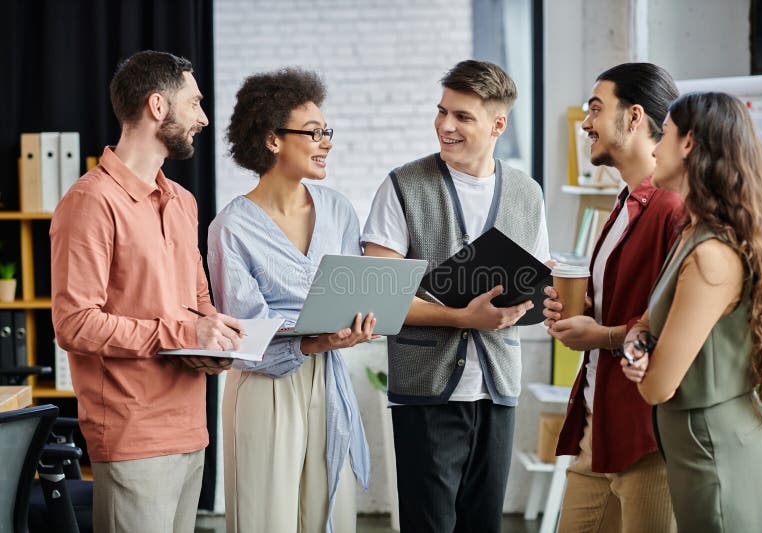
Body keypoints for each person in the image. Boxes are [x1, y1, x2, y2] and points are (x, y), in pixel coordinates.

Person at [50, 50, 243, 533]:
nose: (202, 117)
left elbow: (198, 302)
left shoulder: (182, 201)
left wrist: (212, 339)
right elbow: (74, 324)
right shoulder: (90, 202)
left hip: (191, 428)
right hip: (133, 433)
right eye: (194, 103)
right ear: (158, 106)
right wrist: (181, 332)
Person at [362, 59, 549, 533]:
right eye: (442, 111)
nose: (445, 125)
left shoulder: (527, 193)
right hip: (427, 393)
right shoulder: (402, 186)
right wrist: (465, 318)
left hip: (497, 390)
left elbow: (536, 285)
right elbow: (380, 299)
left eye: (462, 117)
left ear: (497, 124)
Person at [207, 68, 376, 533]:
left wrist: (359, 323)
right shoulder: (231, 228)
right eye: (313, 132)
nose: (326, 142)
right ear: (272, 140)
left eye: (327, 132)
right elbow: (244, 332)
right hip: (265, 389)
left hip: (328, 380)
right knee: (267, 518)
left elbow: (355, 290)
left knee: (328, 518)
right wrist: (309, 342)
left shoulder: (338, 209)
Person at [621, 91, 762, 532]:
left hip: (718, 461)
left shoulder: (711, 256)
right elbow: (648, 320)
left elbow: (657, 387)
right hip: (703, 451)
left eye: (664, 135)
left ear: (690, 144)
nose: (654, 148)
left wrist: (642, 361)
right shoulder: (693, 234)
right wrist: (638, 342)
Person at [542, 63, 682, 532]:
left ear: (635, 116)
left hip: (647, 437)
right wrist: (576, 314)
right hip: (597, 426)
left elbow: (677, 322)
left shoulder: (672, 207)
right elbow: (623, 302)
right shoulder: (622, 203)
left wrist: (599, 334)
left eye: (596, 110)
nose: (586, 123)